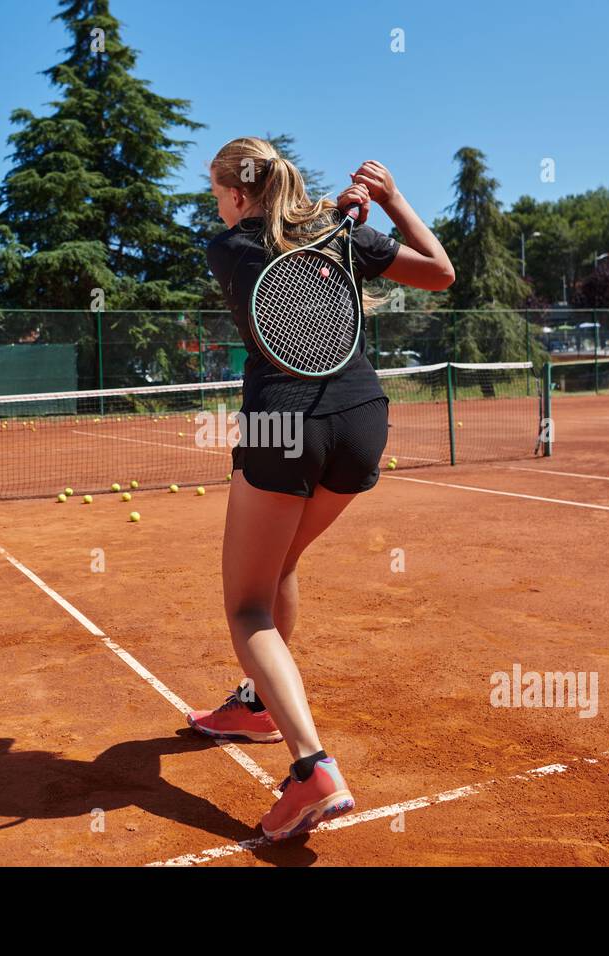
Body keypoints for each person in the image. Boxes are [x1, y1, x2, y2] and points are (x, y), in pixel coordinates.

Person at [191, 139, 454, 840]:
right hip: (363, 419)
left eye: (218, 194)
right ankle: (255, 706)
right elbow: (439, 272)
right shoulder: (339, 236)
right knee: (281, 566)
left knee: (248, 606)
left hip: (284, 421)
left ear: (240, 197)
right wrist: (389, 202)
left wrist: (342, 217)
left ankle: (311, 767)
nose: (216, 208)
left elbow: (284, 255)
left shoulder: (230, 248)